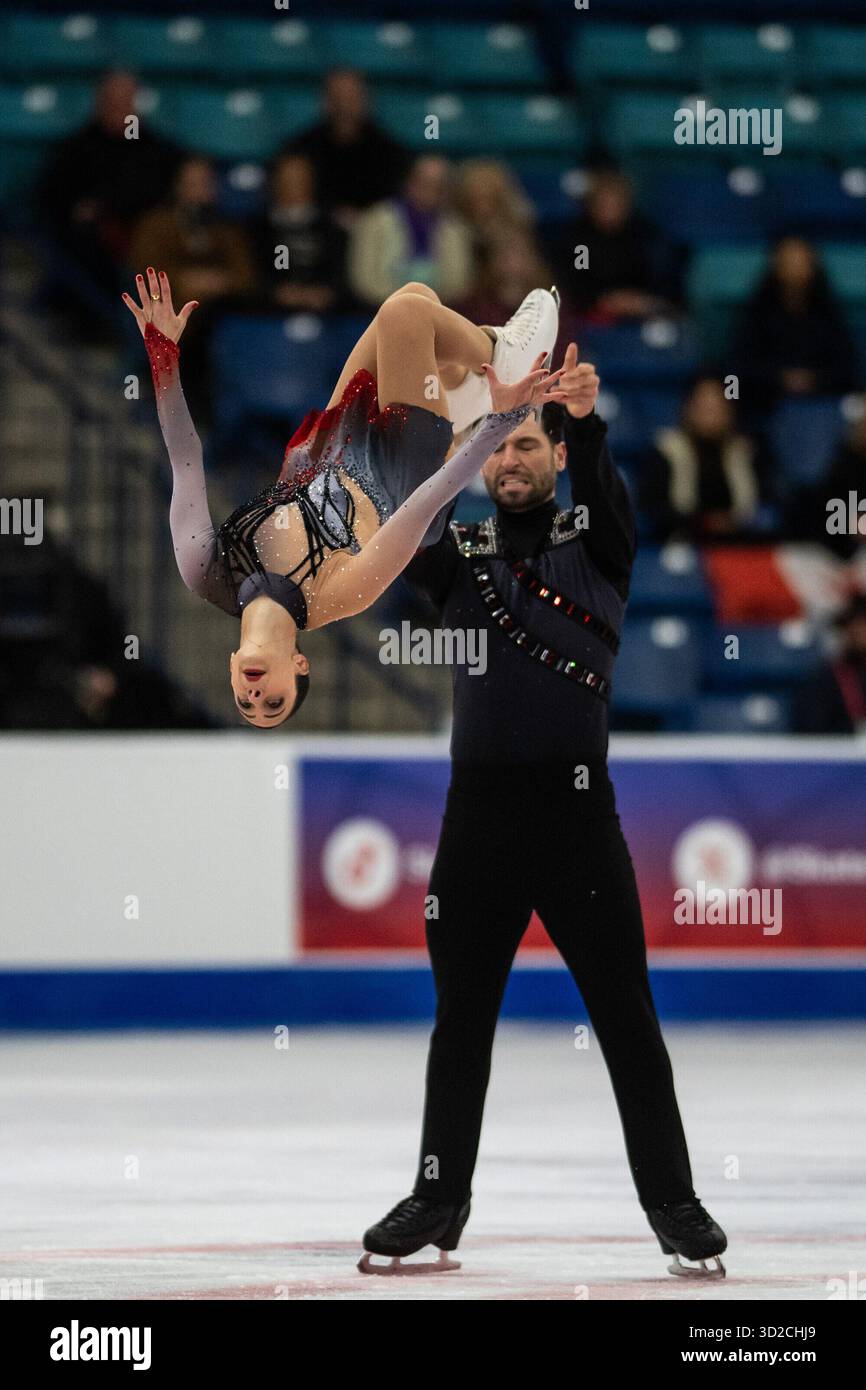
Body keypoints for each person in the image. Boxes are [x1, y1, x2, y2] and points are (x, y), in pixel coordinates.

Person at [360, 343, 728, 1279]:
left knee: (626, 1019)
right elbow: (401, 527)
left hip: (577, 822)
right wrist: (444, 422)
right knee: (462, 1021)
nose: (511, 463)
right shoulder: (459, 561)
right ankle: (439, 1199)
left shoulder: (596, 544)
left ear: (556, 457)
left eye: (526, 446)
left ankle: (674, 1204)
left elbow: (607, 487)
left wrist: (589, 416)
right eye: (498, 451)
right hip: (475, 820)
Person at [122, 268, 562, 726]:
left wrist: (162, 355)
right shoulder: (336, 598)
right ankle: (500, 355)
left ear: (232, 670)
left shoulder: (205, 571)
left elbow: (185, 459)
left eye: (246, 702)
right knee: (405, 314)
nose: (256, 694)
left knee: (417, 295)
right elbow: (419, 511)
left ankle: (464, 392)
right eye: (274, 703)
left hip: (331, 443)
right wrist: (501, 425)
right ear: (299, 666)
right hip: (402, 474)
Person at [37, 70, 183, 314]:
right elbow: (54, 197)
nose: (119, 108)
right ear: (99, 102)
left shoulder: (156, 149)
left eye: (126, 100)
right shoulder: (77, 148)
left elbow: (163, 192)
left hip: (146, 230)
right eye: (112, 100)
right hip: (97, 239)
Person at [130, 156, 257, 421]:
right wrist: (183, 280)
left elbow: (246, 276)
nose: (198, 191)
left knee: (217, 321)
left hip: (218, 310)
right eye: (191, 184)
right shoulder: (157, 224)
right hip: (169, 305)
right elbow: (145, 267)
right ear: (177, 186)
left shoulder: (227, 229)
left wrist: (218, 282)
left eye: (204, 184)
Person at [640, 374, 765, 542]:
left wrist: (732, 523)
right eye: (704, 406)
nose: (711, 414)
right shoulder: (666, 450)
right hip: (680, 546)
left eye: (718, 406)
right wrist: (702, 523)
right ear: (688, 408)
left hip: (740, 549)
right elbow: (654, 510)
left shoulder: (747, 452)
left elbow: (763, 510)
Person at [735, 236, 858, 405]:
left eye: (800, 262)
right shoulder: (755, 316)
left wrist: (813, 380)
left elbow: (848, 370)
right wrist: (780, 378)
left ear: (813, 266)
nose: (795, 270)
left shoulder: (830, 315)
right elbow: (736, 372)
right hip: (764, 404)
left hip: (825, 403)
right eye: (789, 261)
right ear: (775, 266)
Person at [284, 69, 411, 231]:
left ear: (366, 100)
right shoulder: (300, 150)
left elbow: (396, 204)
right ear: (325, 102)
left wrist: (365, 219)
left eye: (351, 98)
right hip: (316, 236)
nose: (344, 107)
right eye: (337, 99)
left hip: (374, 234)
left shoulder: (391, 152)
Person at [547, 167, 679, 322]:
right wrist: (605, 301)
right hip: (592, 316)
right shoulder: (579, 242)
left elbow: (662, 279)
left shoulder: (645, 236)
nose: (610, 208)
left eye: (615, 201)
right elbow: (577, 282)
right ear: (591, 204)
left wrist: (640, 301)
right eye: (603, 201)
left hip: (643, 315)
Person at [348, 156, 472, 310]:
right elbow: (364, 279)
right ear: (409, 182)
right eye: (424, 182)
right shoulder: (376, 221)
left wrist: (427, 305)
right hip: (379, 311)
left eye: (438, 185)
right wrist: (404, 303)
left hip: (438, 312)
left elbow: (459, 283)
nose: (430, 190)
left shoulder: (455, 228)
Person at [252, 152, 346, 315]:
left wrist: (326, 293)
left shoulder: (332, 228)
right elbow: (252, 275)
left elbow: (342, 276)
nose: (294, 186)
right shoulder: (258, 228)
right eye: (287, 179)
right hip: (270, 313)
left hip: (328, 313)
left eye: (300, 179)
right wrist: (276, 291)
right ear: (275, 182)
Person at [795, 594, 866, 735]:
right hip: (843, 752)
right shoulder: (826, 678)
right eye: (860, 625)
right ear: (848, 630)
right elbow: (812, 730)